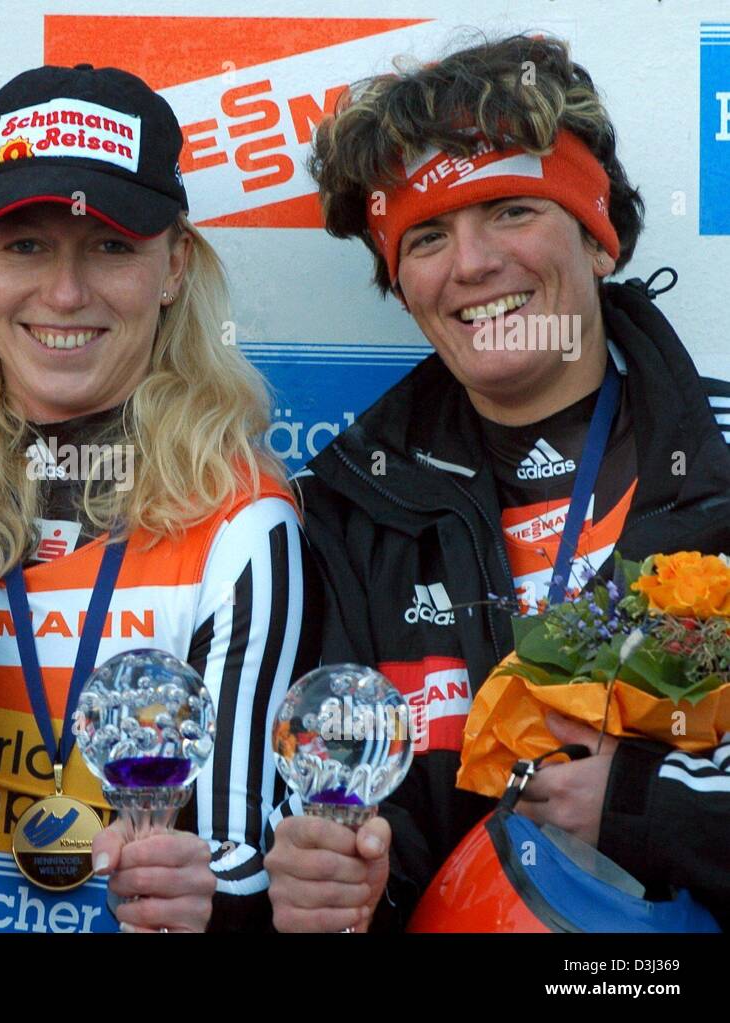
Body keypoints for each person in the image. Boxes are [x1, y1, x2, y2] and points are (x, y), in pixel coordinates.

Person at [265, 33, 730, 932]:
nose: (472, 264)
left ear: (599, 238)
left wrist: (644, 804)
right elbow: (367, 814)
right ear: (403, 285)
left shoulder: (720, 461)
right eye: (427, 236)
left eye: (511, 210)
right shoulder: (348, 509)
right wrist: (353, 878)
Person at [0, 64, 321, 933]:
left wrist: (203, 886)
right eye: (26, 245)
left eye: (111, 247)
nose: (65, 293)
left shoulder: (239, 519)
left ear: (174, 266)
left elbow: (243, 850)